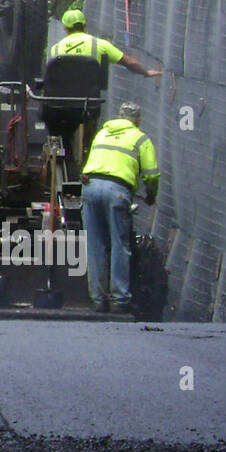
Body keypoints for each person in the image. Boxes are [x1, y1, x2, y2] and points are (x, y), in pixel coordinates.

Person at [80, 101, 159, 314]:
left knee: (95, 245)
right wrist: (151, 195)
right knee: (119, 244)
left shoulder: (102, 133)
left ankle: (98, 300)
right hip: (117, 191)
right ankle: (120, 300)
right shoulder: (141, 138)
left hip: (90, 186)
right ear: (138, 120)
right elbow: (152, 175)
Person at [48, 8, 162, 78]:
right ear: (84, 25)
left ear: (65, 27)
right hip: (90, 103)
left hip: (62, 104)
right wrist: (146, 72)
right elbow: (129, 62)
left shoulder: (56, 49)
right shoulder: (101, 45)